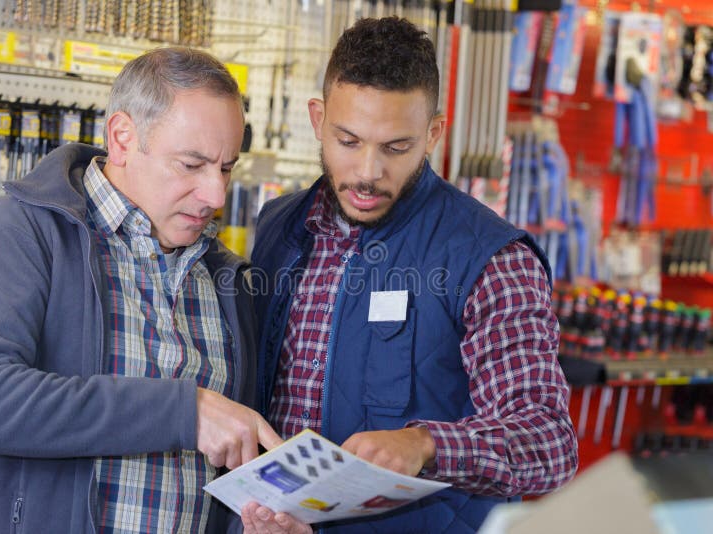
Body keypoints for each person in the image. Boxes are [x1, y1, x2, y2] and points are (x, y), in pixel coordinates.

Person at [246, 17, 578, 533]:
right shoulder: (278, 227)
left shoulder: (490, 257)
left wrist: (426, 445)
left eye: (395, 147)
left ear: (433, 134)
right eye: (348, 140)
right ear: (318, 119)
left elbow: (547, 442)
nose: (368, 172)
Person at [0, 46, 284, 534]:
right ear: (123, 138)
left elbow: (216, 481)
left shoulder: (225, 279)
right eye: (192, 164)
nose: (216, 195)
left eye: (226, 168)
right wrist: (184, 411)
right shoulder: (24, 233)